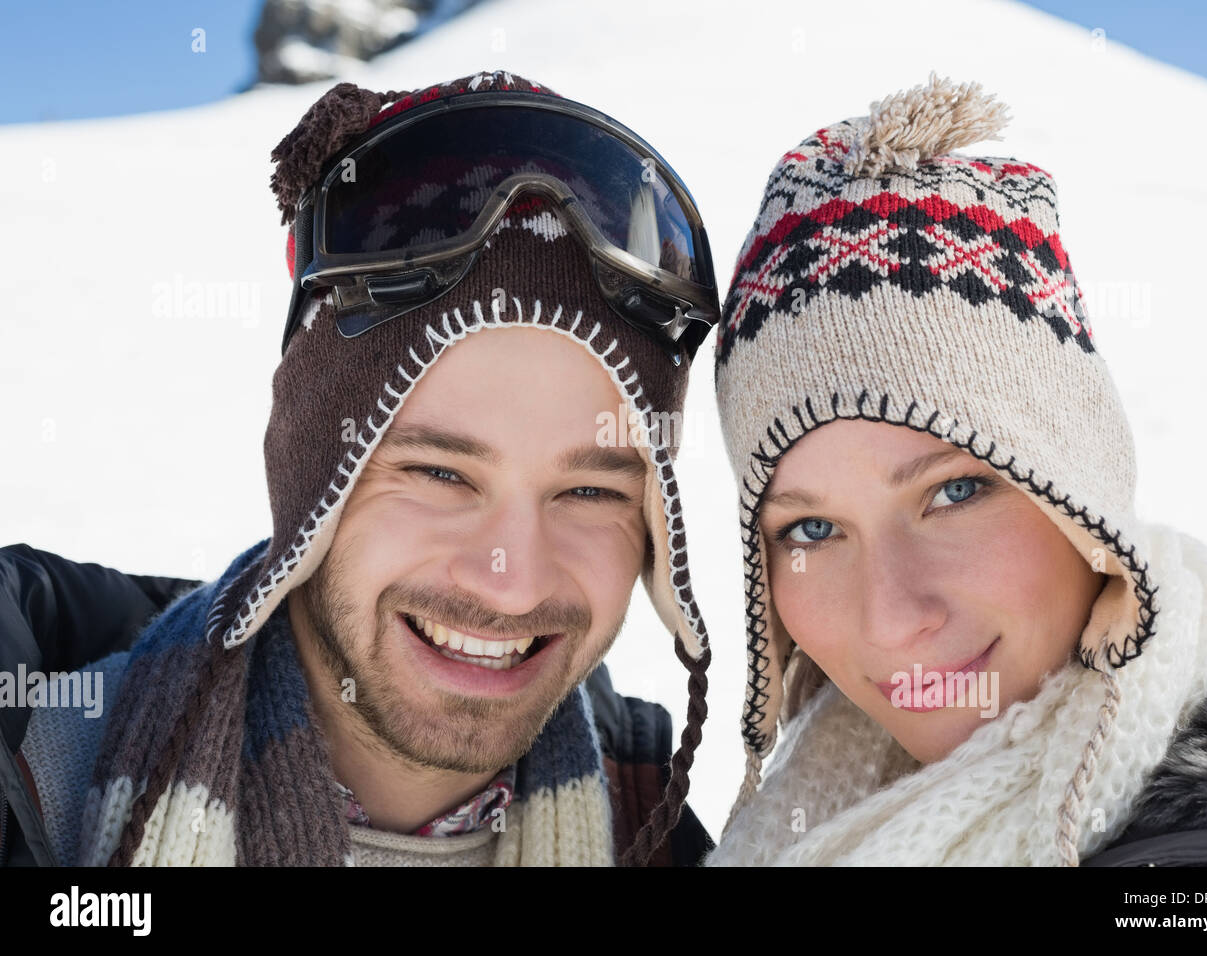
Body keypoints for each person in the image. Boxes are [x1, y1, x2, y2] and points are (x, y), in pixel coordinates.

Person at [1, 69, 718, 867]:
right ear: (311, 482)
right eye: (440, 474)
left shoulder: (663, 830)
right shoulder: (38, 783)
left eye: (590, 490)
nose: (511, 581)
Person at [706, 74, 1207, 867]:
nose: (890, 620)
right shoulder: (806, 821)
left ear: (1082, 497)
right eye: (812, 528)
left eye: (954, 491)